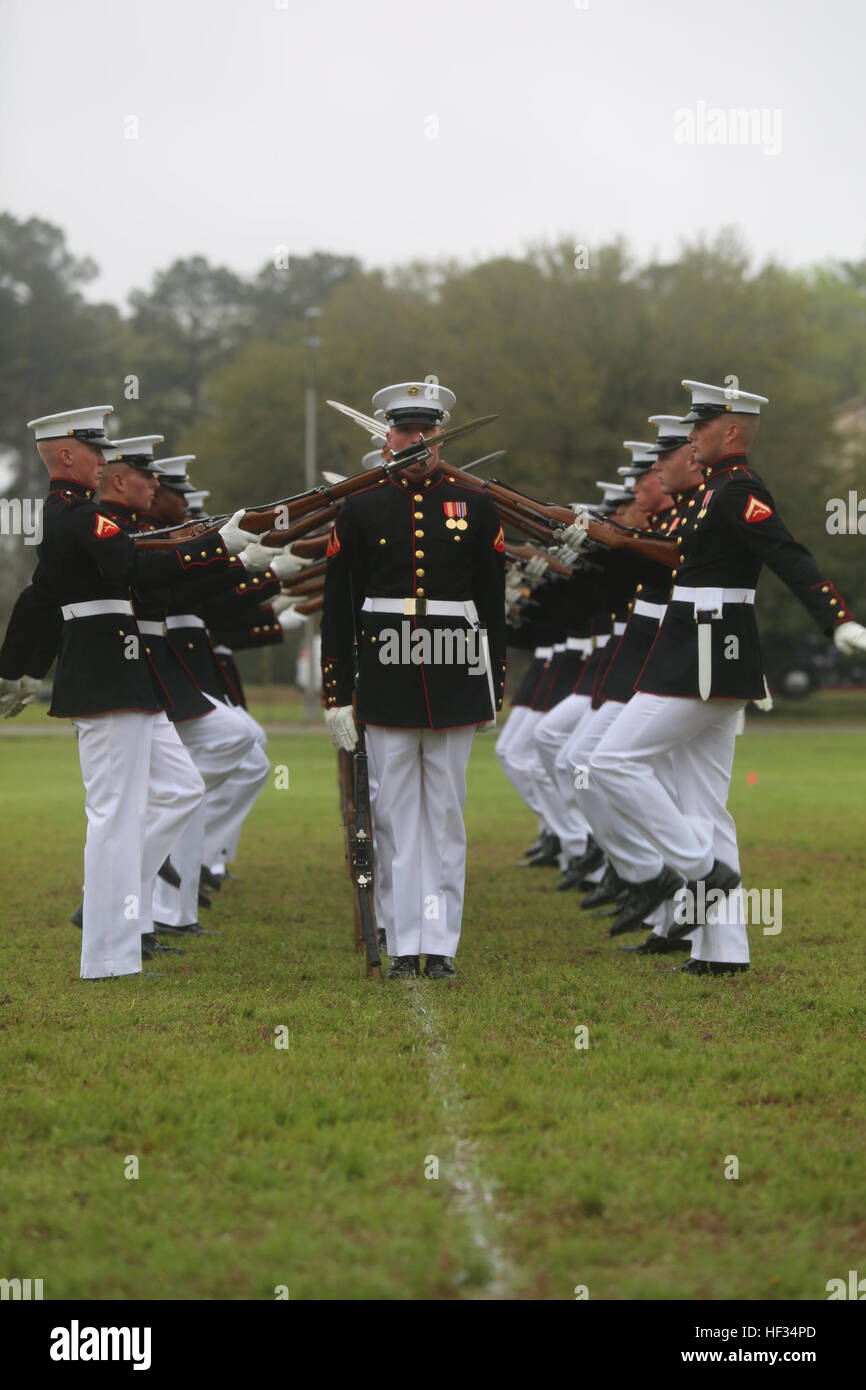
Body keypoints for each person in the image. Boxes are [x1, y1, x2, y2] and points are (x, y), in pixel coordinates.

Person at [590, 380, 866, 975]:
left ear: (731, 430)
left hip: (707, 655)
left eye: (702, 425)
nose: (691, 436)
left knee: (610, 761)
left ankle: (698, 869)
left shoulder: (739, 489)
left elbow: (789, 555)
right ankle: (721, 952)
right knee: (706, 807)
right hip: (698, 651)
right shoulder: (709, 492)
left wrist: (837, 621)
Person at [0, 406, 257, 979]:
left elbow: (39, 599)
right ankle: (107, 956)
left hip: (127, 677)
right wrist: (219, 546)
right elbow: (136, 570)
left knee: (181, 790)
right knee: (114, 815)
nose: (102, 461)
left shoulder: (78, 520)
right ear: (66, 455)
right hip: (103, 678)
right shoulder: (74, 518)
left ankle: (104, 902)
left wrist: (18, 666)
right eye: (95, 451)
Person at [320, 381, 506, 980]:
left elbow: (492, 605)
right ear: (387, 437)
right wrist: (337, 694)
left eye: (427, 431)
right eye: (404, 430)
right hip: (385, 679)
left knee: (446, 818)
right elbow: (338, 609)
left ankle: (442, 945)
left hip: (455, 677)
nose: (416, 440)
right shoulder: (360, 507)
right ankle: (403, 945)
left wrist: (494, 681)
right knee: (396, 818)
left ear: (441, 437)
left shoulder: (475, 505)